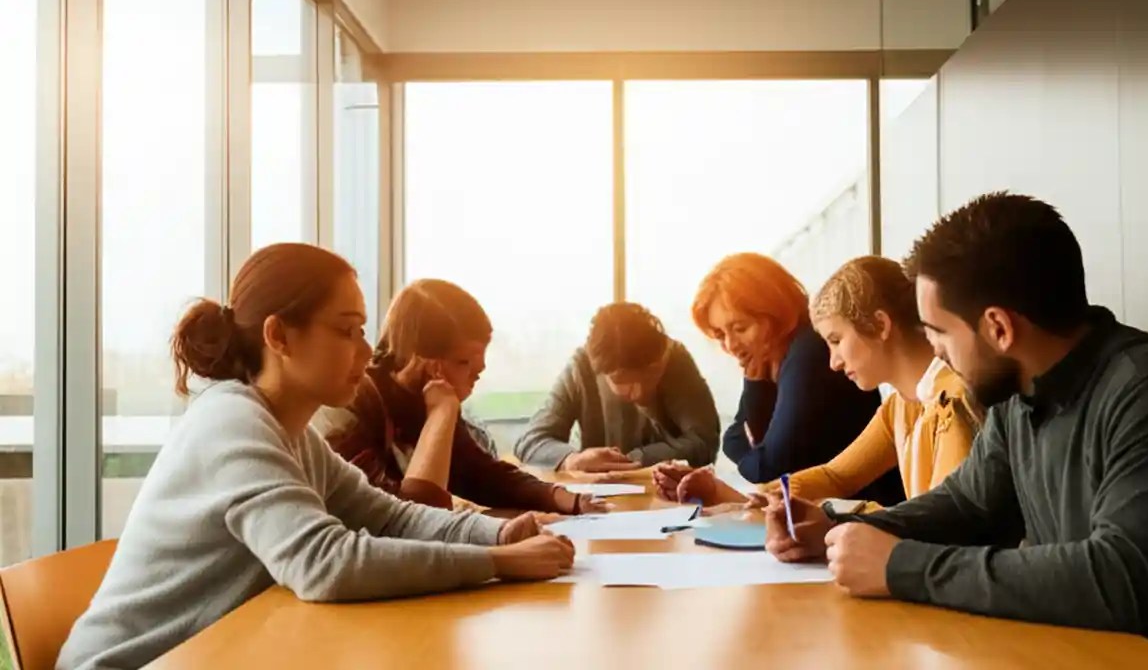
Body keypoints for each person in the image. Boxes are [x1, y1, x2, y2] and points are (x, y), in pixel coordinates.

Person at [764, 193, 1148, 669]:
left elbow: (1120, 578)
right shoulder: (1015, 396)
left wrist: (901, 566)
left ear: (999, 328)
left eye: (939, 332)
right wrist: (842, 532)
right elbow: (966, 505)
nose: (935, 351)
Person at [58, 245, 575, 670]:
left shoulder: (292, 435)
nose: (366, 350)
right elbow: (324, 564)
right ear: (278, 336)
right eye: (346, 330)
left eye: (364, 330)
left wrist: (500, 533)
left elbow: (389, 516)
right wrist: (495, 563)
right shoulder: (231, 423)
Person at [654, 256, 981, 509]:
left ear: (880, 325)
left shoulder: (951, 402)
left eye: (836, 341)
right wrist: (737, 496)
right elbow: (833, 475)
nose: (833, 363)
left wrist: (824, 517)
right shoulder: (901, 405)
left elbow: (938, 522)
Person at [319, 279, 605, 514]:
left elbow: (481, 474)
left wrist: (562, 498)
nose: (480, 370)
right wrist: (442, 414)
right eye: (464, 362)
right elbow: (411, 519)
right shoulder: (353, 406)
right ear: (430, 365)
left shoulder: (421, 403)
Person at [688, 253, 902, 505]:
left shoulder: (810, 354)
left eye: (740, 328)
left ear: (775, 313)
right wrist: (755, 386)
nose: (731, 345)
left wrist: (755, 454)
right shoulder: (768, 362)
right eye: (720, 334)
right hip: (827, 509)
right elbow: (732, 439)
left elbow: (768, 468)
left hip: (866, 512)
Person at [515, 302, 720, 472]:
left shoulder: (673, 358)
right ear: (600, 371)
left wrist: (635, 459)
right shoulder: (582, 367)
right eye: (621, 381)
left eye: (649, 375)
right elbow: (530, 441)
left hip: (670, 498)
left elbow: (705, 443)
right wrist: (572, 460)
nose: (638, 393)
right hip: (594, 500)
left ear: (659, 359)